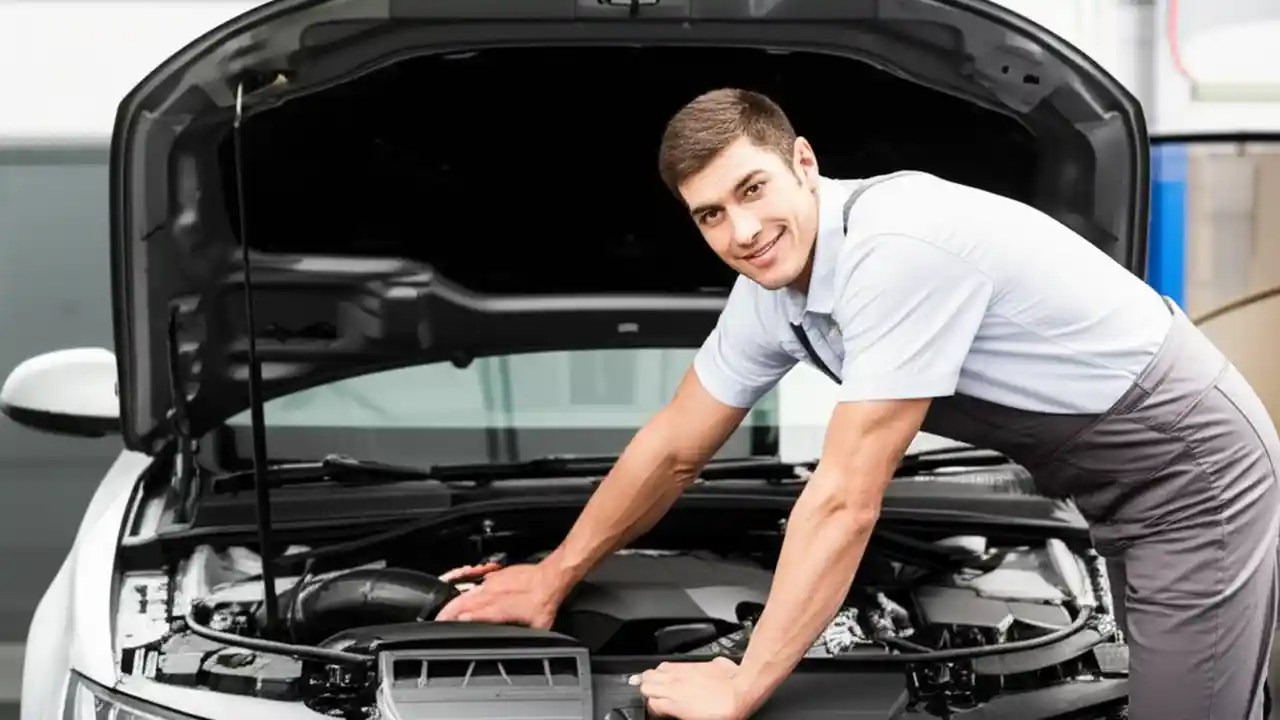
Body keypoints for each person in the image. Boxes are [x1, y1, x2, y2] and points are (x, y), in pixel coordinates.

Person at [435, 88, 1280, 720]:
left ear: (804, 162)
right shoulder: (772, 288)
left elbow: (845, 496)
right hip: (1108, 484)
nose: (741, 231)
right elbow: (673, 445)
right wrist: (552, 576)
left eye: (754, 189)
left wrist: (745, 681)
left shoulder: (898, 250)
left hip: (1186, 475)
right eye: (710, 215)